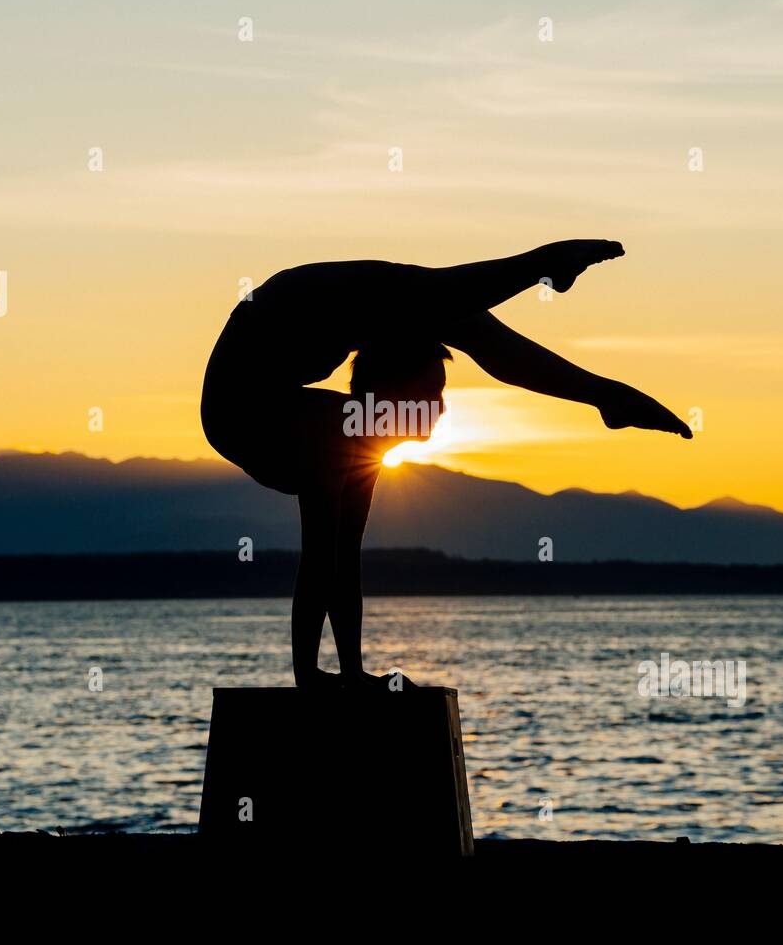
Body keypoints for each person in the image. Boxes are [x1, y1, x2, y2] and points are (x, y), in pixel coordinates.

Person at [200, 240, 692, 690]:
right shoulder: (335, 436)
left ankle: (602, 388)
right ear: (390, 395)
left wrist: (351, 672)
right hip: (248, 393)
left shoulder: (359, 435)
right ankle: (545, 273)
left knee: (459, 318)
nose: (441, 407)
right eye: (432, 393)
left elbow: (345, 558)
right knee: (437, 302)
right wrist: (312, 676)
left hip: (305, 321)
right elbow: (321, 559)